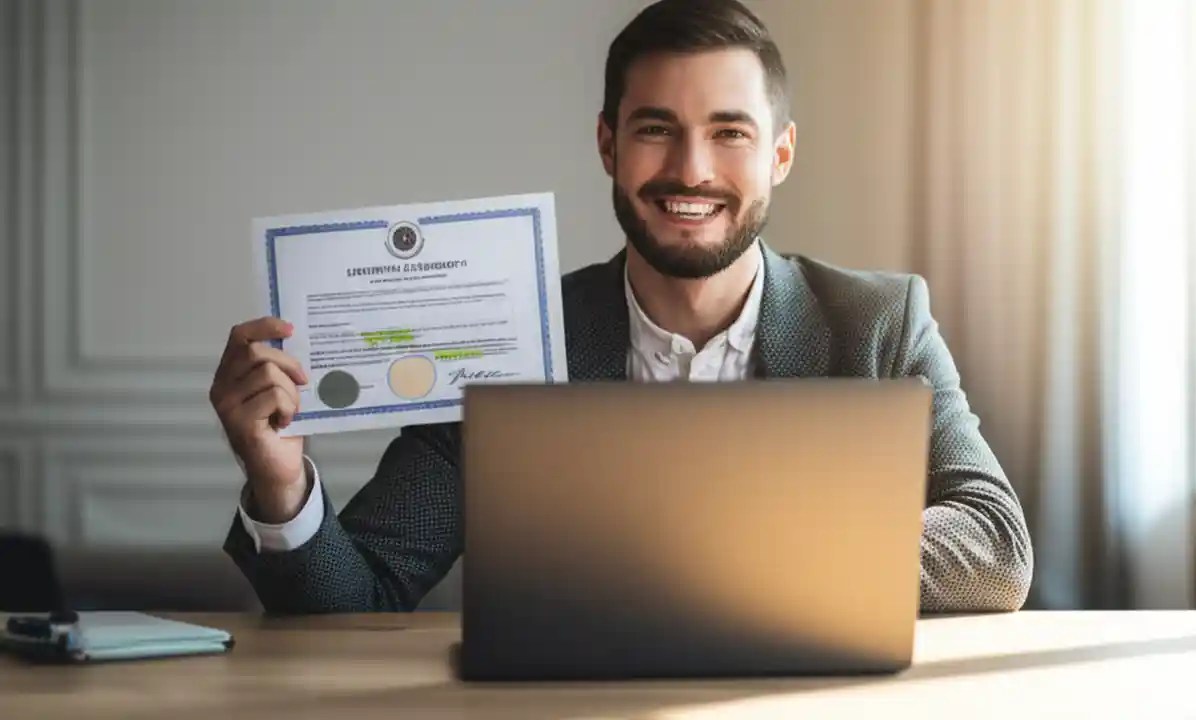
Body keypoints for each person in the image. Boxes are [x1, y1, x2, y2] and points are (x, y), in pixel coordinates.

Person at [211, 0, 1033, 614]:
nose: (691, 168)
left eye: (730, 133)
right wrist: (281, 483)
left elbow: (995, 550)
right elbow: (362, 599)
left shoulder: (880, 322)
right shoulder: (514, 346)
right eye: (656, 129)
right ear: (608, 144)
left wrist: (736, 550)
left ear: (780, 154)